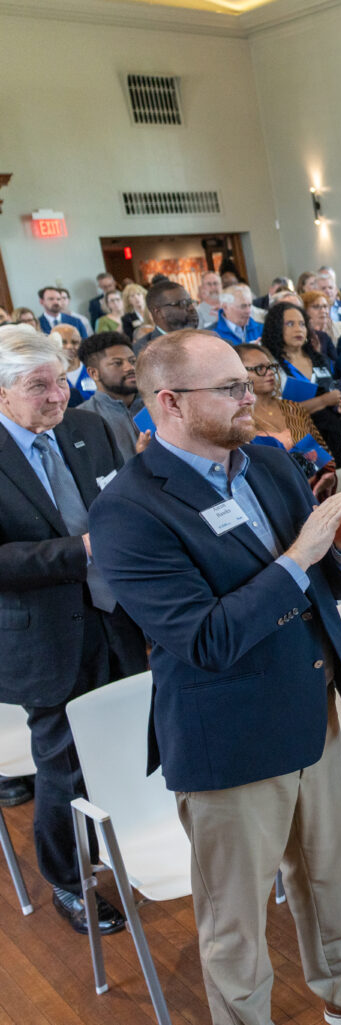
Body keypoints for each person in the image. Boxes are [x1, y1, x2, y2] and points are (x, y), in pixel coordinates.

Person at [90, 329, 341, 1025]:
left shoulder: (268, 465)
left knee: (332, 875)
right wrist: (300, 556)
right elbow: (205, 639)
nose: (254, 395)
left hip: (310, 703)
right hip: (230, 733)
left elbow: (324, 585)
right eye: (231, 387)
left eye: (251, 380)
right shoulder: (129, 509)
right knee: (235, 916)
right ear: (169, 402)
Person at [0, 325, 146, 936]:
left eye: (62, 381)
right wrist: (78, 551)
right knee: (64, 767)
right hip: (45, 636)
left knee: (136, 741)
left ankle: (135, 846)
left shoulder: (87, 427)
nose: (57, 396)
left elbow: (123, 500)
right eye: (40, 386)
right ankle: (70, 879)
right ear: (3, 392)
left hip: (118, 617)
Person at [237, 344, 337, 498]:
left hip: (314, 494)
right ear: (238, 373)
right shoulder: (240, 418)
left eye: (271, 366)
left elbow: (321, 454)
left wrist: (326, 474)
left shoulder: (292, 408)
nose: (269, 373)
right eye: (259, 368)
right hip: (272, 499)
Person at [259, 301, 341, 466]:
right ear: (276, 328)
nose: (298, 329)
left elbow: (332, 389)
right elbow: (275, 411)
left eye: (302, 324)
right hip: (298, 440)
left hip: (332, 433)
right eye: (290, 324)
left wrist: (339, 405)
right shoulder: (270, 365)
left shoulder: (318, 358)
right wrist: (324, 401)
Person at [77, 331, 148, 462]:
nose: (130, 367)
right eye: (117, 363)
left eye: (132, 361)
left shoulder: (155, 403)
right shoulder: (83, 419)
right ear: (94, 373)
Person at [136, 278, 198, 353]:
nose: (191, 308)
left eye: (190, 302)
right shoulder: (143, 350)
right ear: (159, 313)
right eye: (183, 304)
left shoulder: (207, 338)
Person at [53, 324, 94, 403]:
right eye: (63, 342)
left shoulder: (93, 370)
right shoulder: (48, 375)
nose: (69, 346)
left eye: (75, 342)